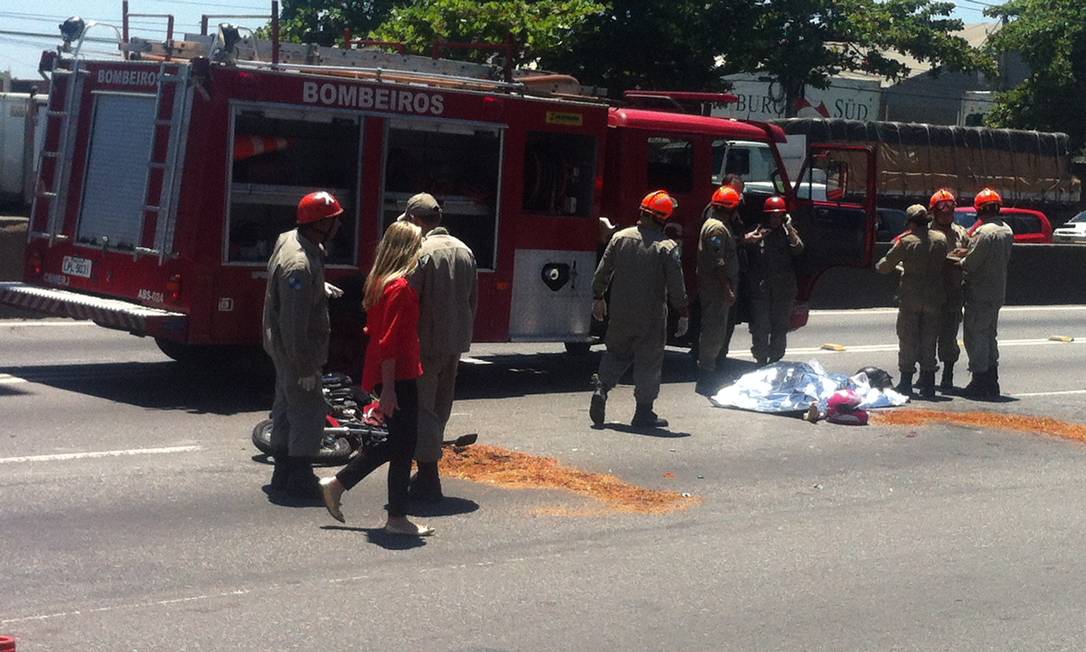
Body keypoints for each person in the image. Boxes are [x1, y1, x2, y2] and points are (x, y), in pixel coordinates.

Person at [318, 221, 434, 536]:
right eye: (418, 244)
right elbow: (390, 343)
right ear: (408, 249)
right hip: (399, 376)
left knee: (399, 444)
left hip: (393, 375)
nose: (422, 250)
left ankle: (343, 487)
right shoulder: (400, 289)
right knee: (402, 445)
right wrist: (390, 390)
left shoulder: (381, 282)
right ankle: (393, 517)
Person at [262, 191, 344, 499]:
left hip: (283, 347)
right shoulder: (298, 264)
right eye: (334, 220)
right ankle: (299, 475)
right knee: (309, 411)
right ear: (320, 224)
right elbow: (293, 323)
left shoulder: (291, 240)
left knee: (284, 409)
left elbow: (288, 292)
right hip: (296, 351)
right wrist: (305, 366)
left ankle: (282, 472)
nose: (339, 224)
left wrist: (316, 286)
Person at [398, 193, 478, 502]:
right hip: (455, 343)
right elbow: (473, 301)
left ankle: (429, 476)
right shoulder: (465, 250)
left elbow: (408, 301)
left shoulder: (420, 252)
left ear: (416, 220)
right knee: (441, 407)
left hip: (425, 344)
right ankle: (427, 469)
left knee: (423, 409)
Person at [590, 189, 689, 429]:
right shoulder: (666, 247)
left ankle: (602, 388)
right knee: (648, 361)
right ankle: (643, 413)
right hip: (651, 316)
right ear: (662, 218)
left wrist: (599, 297)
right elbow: (677, 286)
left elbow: (603, 272)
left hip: (621, 312)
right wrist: (684, 312)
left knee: (616, 352)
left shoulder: (620, 238)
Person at [875, 204, 949, 398]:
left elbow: (885, 266)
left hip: (911, 298)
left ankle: (906, 383)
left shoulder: (906, 242)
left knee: (908, 339)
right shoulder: (941, 239)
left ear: (910, 223)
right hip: (934, 297)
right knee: (929, 340)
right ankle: (929, 384)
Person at [959, 188, 1014, 398]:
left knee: (975, 336)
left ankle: (980, 381)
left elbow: (972, 263)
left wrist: (959, 261)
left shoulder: (984, 232)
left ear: (979, 209)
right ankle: (992, 380)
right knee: (990, 335)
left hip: (979, 291)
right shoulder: (1007, 230)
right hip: (997, 290)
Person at [744, 196, 804, 365]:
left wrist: (789, 228)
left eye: (780, 216)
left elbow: (799, 249)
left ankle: (775, 361)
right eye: (773, 216)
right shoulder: (756, 231)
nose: (776, 220)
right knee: (760, 328)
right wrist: (754, 239)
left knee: (780, 328)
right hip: (761, 289)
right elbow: (743, 249)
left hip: (783, 290)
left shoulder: (787, 233)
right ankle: (761, 361)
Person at [695, 185, 741, 396]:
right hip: (715, 288)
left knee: (716, 331)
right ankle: (706, 377)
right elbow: (718, 261)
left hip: (716, 287)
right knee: (713, 332)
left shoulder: (719, 225)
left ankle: (708, 373)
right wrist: (726, 288)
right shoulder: (716, 229)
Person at [929, 189, 972, 392]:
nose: (947, 213)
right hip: (929, 294)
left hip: (953, 294)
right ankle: (926, 374)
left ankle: (948, 375)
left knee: (948, 337)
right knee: (926, 338)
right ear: (934, 211)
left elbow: (973, 255)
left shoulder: (961, 233)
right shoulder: (924, 233)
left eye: (950, 209)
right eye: (942, 209)